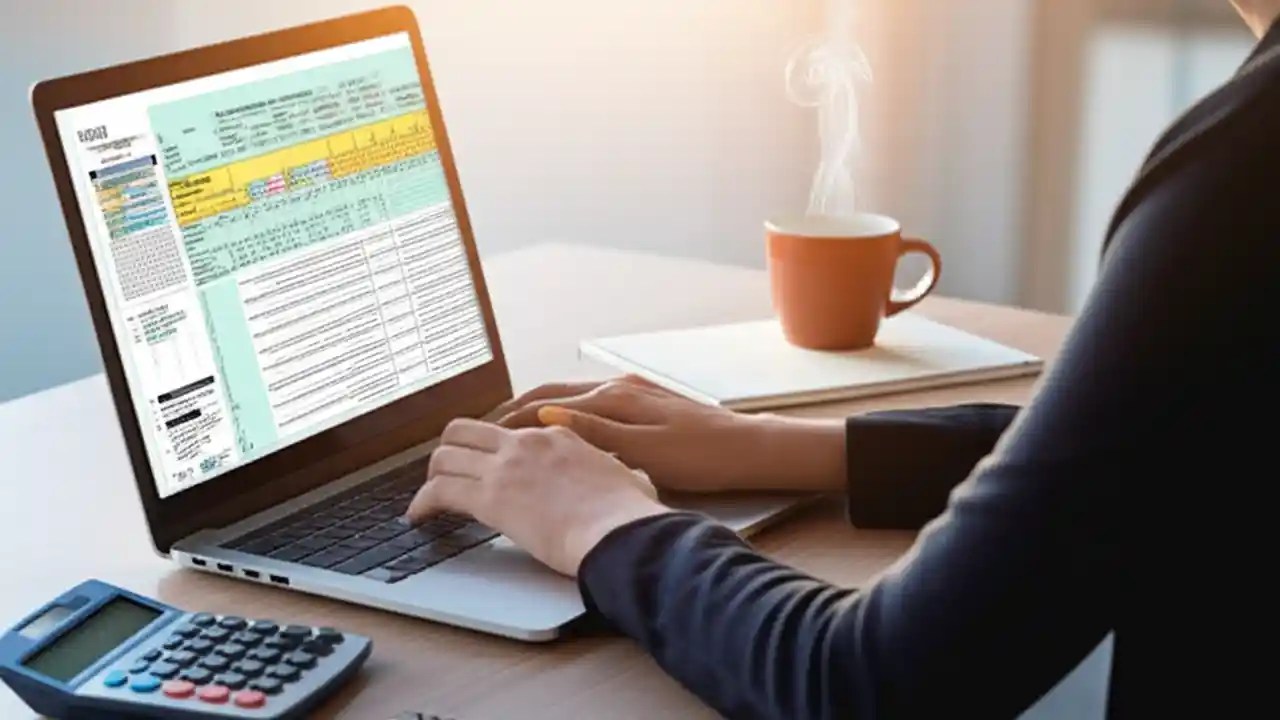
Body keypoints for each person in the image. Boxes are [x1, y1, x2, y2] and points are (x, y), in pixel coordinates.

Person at [405, 2, 1280, 717]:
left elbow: (871, 685)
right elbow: (1174, 447)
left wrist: (602, 526)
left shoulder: (1241, 173)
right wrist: (786, 447)